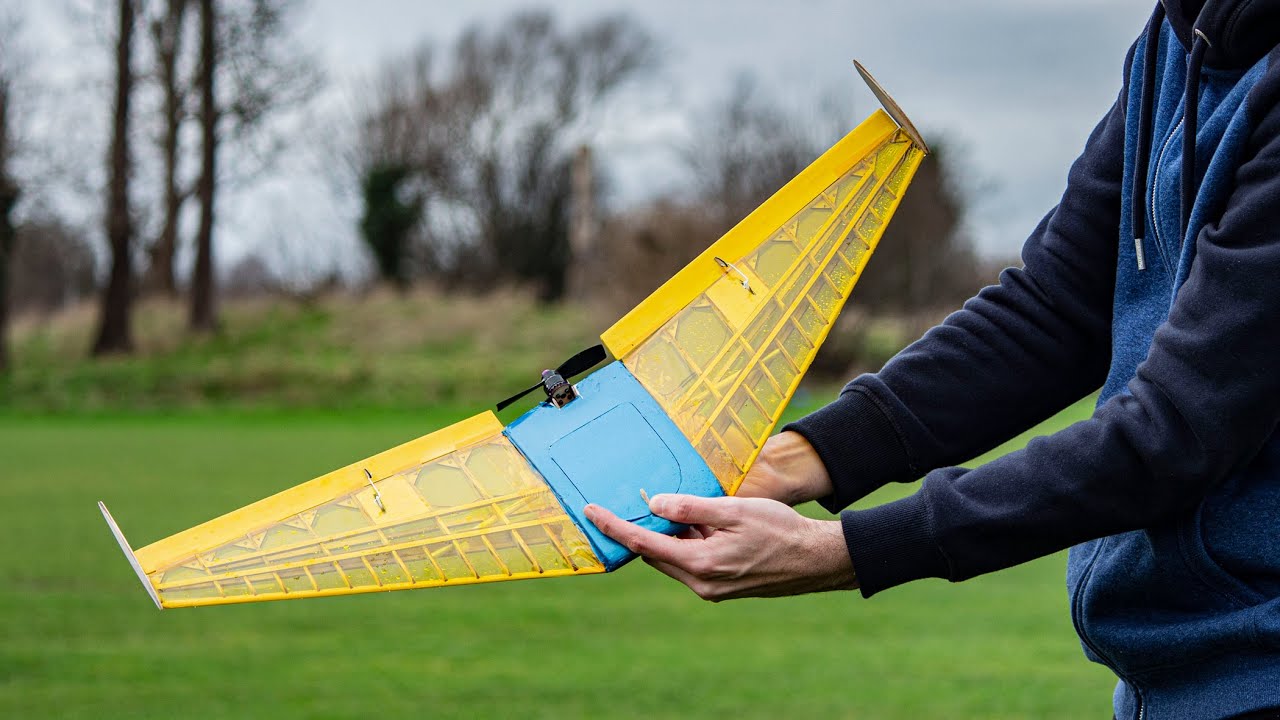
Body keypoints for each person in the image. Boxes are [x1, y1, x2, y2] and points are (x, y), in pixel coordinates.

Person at [584, 1, 1280, 717]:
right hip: (1166, 686)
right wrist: (787, 462)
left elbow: (1175, 430)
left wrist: (847, 549)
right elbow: (1054, 309)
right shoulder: (1175, 35)